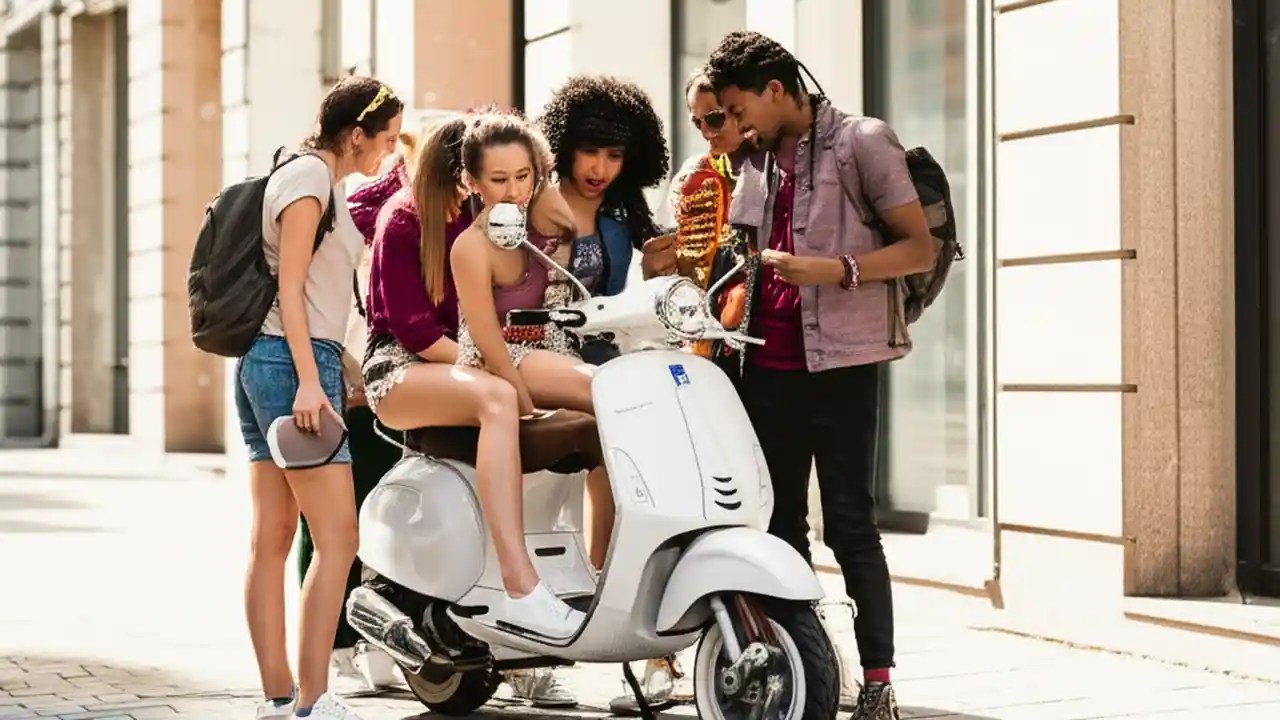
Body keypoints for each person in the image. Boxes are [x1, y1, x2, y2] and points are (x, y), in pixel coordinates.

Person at [703, 31, 936, 720]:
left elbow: (918, 248)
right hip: (763, 366)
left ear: (775, 89)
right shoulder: (755, 157)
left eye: (739, 108)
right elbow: (741, 253)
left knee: (851, 526)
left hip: (842, 366)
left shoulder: (863, 142)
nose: (735, 123)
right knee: (776, 526)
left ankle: (878, 684)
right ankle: (804, 667)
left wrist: (835, 270)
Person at [357, 112, 585, 708]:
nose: (508, 189)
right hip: (402, 368)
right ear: (463, 175)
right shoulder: (405, 220)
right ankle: (518, 581)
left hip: (474, 359)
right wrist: (490, 368)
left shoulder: (502, 221)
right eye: (493, 177)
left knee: (600, 400)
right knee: (496, 397)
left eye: (519, 176)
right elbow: (415, 331)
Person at [235, 76, 403, 720]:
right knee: (338, 537)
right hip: (290, 364)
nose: (390, 151)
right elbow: (292, 287)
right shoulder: (309, 178)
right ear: (355, 133)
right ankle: (312, 700)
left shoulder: (306, 174)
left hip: (272, 359)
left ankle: (280, 699)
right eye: (385, 138)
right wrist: (312, 378)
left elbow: (310, 296)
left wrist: (346, 366)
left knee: (274, 536)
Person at [534, 74, 688, 713]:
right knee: (548, 506)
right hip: (539, 360)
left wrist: (661, 267)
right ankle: (537, 646)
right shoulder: (535, 201)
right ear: (565, 146)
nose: (600, 168)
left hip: (609, 366)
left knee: (631, 495)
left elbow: (638, 293)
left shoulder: (625, 212)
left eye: (615, 155)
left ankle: (641, 642)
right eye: (589, 151)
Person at [295, 137, 417, 695]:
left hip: (390, 387)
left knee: (387, 519)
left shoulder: (430, 225)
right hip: (343, 385)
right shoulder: (360, 217)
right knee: (330, 521)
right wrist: (347, 373)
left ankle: (375, 639)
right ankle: (337, 648)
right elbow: (332, 306)